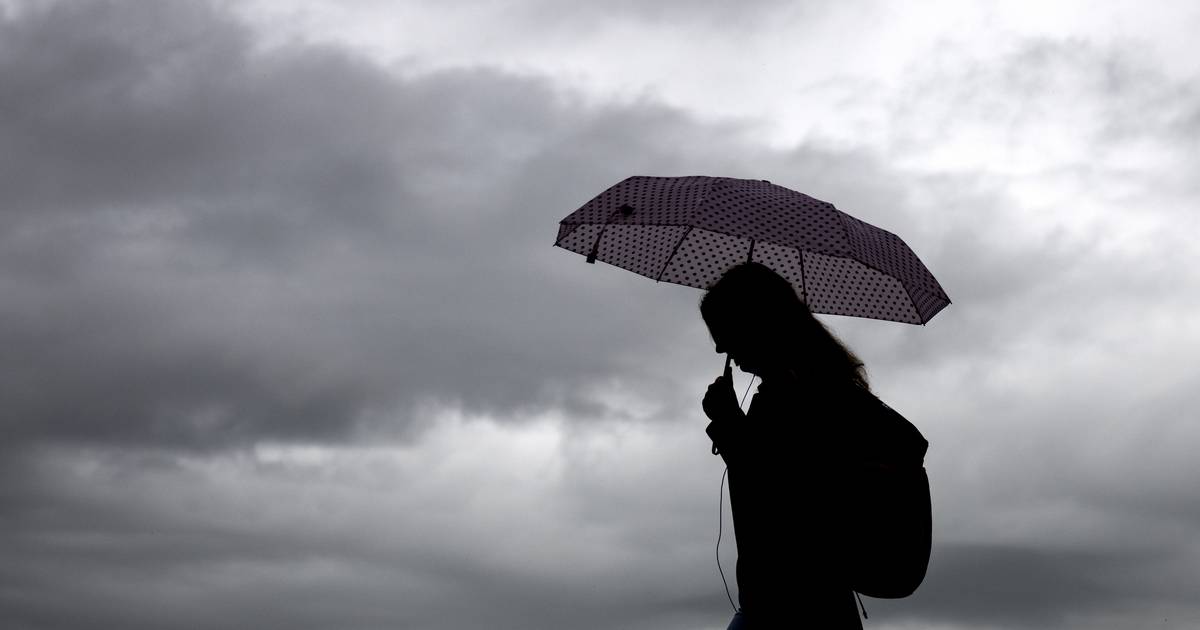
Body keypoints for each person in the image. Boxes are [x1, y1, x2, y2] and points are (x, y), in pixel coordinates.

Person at [700, 262, 931, 629]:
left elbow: (781, 496)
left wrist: (731, 428)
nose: (718, 346)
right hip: (821, 604)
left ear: (755, 325)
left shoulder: (797, 400)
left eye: (722, 330)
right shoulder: (818, 391)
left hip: (788, 608)